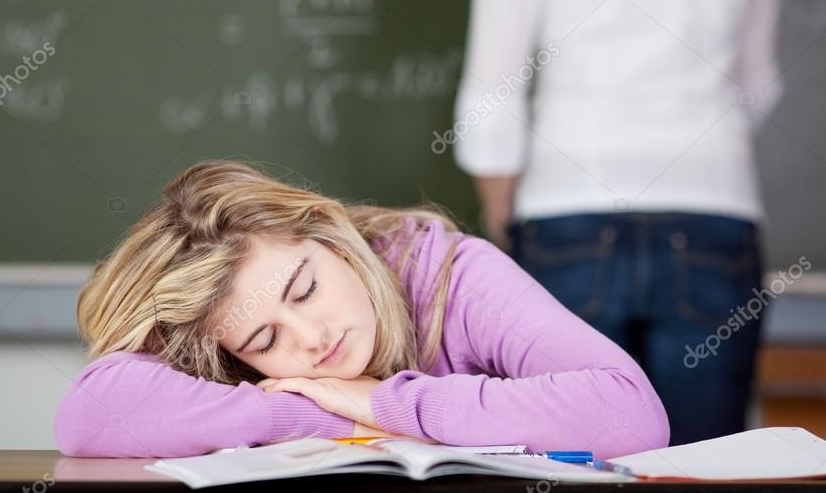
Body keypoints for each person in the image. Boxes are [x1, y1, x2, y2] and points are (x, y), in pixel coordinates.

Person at [453, 0, 781, 445]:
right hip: (713, 216)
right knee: (706, 465)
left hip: (565, 215)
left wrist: (507, 221)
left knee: (570, 458)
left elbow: (492, 94)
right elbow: (759, 84)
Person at [53, 160, 669, 458]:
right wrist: (323, 419)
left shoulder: (452, 273)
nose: (311, 338)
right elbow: (88, 414)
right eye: (265, 342)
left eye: (305, 290)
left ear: (330, 236)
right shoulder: (218, 323)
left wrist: (384, 403)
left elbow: (628, 415)